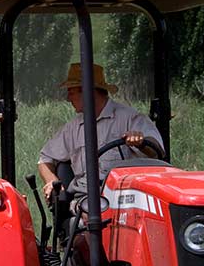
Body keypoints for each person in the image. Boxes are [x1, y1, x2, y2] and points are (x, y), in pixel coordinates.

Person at [37, 62, 163, 201]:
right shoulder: (73, 128)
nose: (68, 99)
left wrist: (140, 143)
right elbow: (45, 158)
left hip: (125, 198)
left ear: (88, 92)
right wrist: (51, 181)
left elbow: (156, 151)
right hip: (86, 198)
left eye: (71, 93)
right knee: (89, 209)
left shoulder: (130, 118)